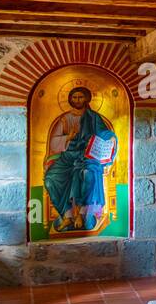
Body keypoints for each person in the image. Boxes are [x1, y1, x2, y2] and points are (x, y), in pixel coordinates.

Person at [43, 86, 117, 233]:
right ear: (70, 99)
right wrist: (68, 137)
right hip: (68, 157)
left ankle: (83, 214)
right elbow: (53, 143)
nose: (77, 100)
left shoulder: (93, 117)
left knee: (86, 174)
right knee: (50, 179)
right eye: (74, 97)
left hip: (87, 155)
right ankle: (67, 216)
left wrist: (111, 138)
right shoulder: (64, 119)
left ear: (86, 99)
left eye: (80, 97)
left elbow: (103, 133)